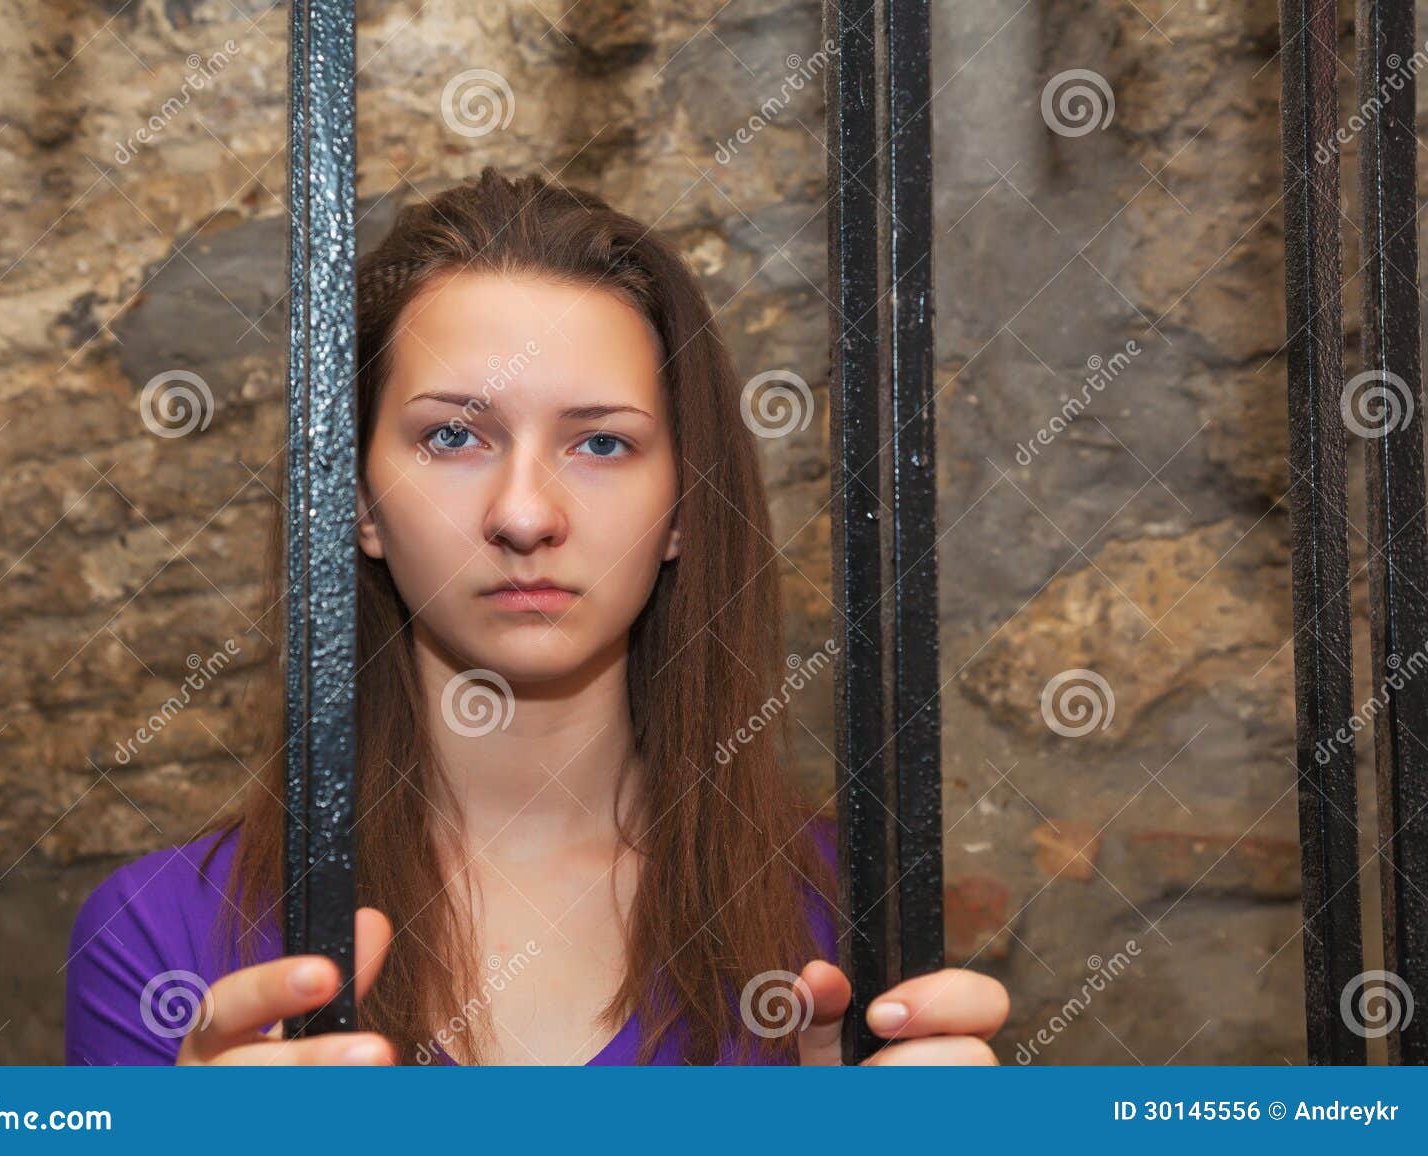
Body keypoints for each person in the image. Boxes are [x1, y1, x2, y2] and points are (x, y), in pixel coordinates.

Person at [65, 166, 1008, 1066]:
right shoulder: (165, 936)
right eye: (452, 436)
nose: (524, 514)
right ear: (355, 499)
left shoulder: (855, 913)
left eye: (601, 442)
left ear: (683, 505)